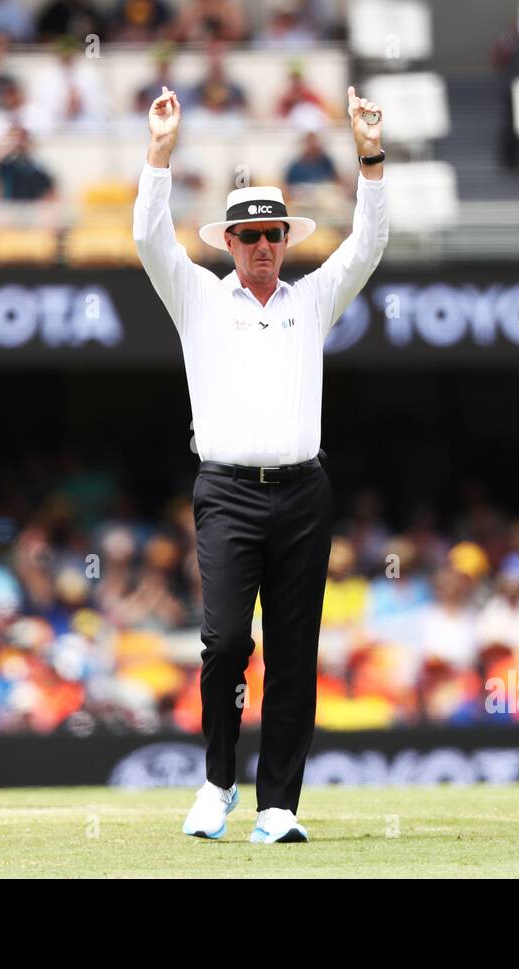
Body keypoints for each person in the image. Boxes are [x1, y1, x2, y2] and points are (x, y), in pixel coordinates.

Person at [134, 85, 388, 843]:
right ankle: (217, 783)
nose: (262, 247)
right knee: (223, 644)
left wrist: (369, 155)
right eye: (248, 237)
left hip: (305, 491)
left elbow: (369, 245)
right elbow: (150, 241)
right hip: (227, 492)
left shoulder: (311, 301)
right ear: (229, 244)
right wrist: (159, 154)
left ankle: (278, 805)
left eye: (272, 234)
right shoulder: (200, 301)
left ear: (285, 237)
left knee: (294, 652)